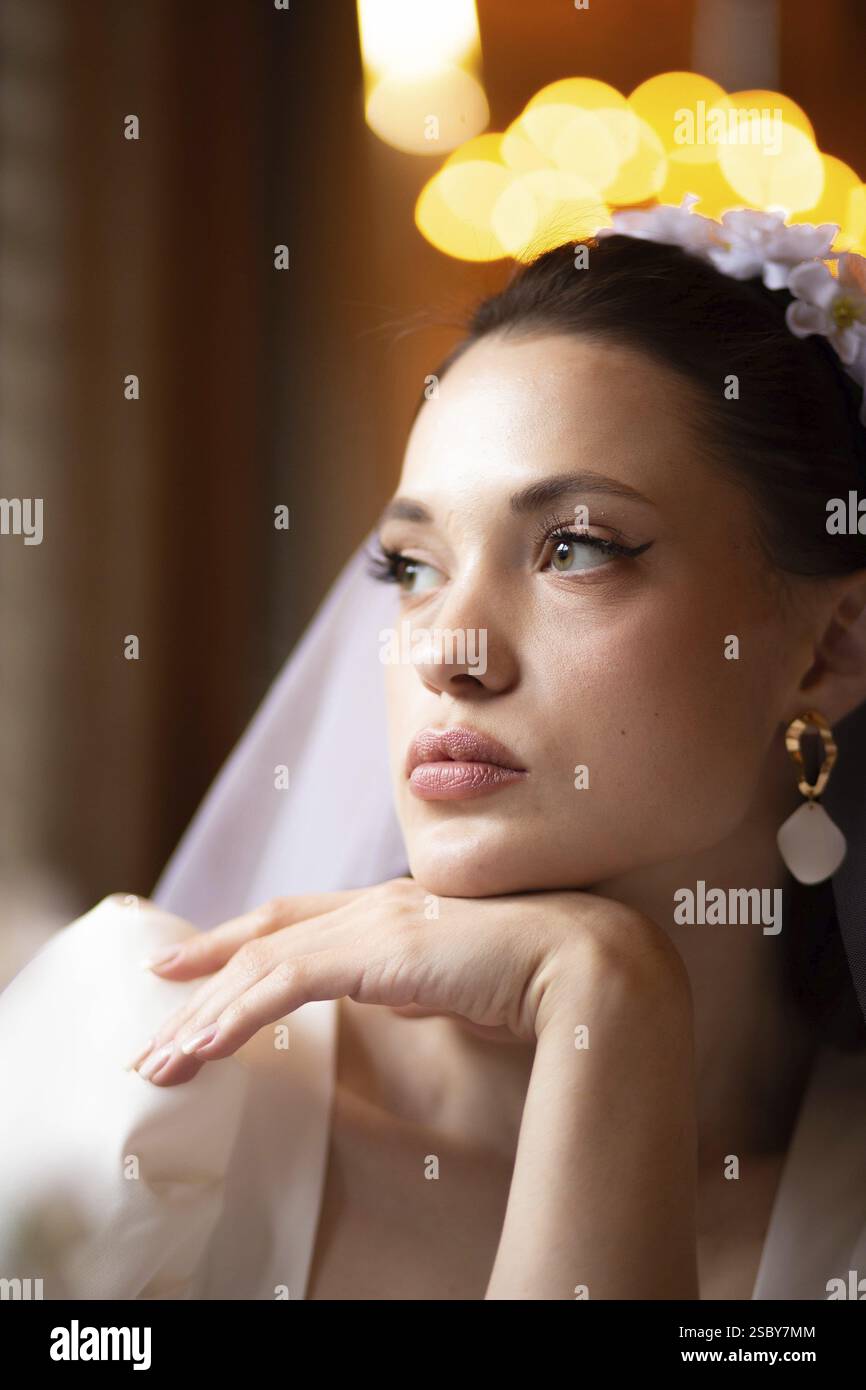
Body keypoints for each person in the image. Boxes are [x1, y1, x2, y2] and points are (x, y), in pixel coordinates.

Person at [3, 203, 866, 1301]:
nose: (445, 650)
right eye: (409, 567)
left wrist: (604, 1009)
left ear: (826, 649)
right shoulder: (145, 1067)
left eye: (575, 546)